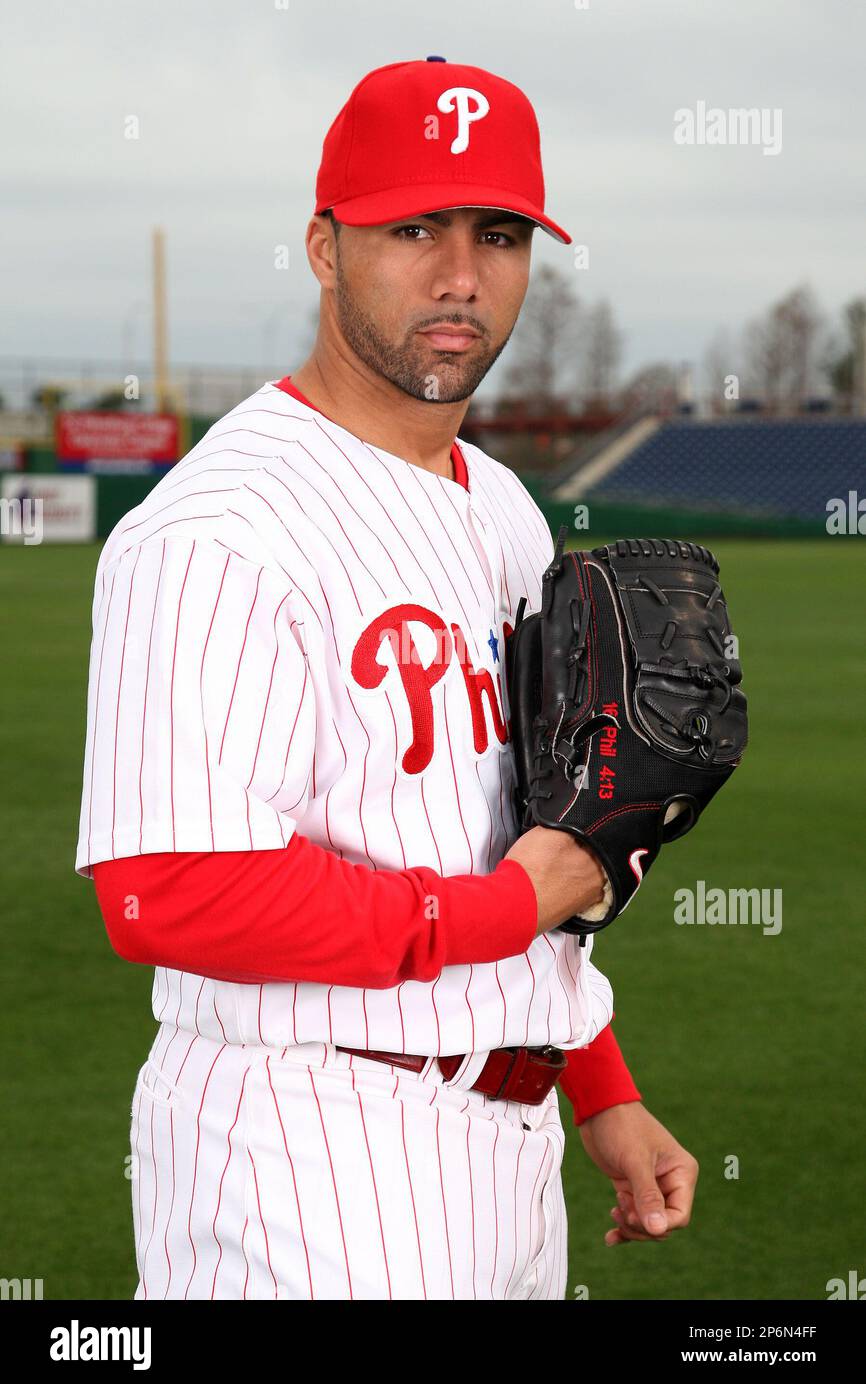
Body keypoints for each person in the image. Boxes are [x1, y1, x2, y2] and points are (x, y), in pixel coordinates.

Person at [76, 56, 698, 1300]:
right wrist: (494, 917)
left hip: (509, 1142)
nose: (460, 275)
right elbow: (163, 893)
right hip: (302, 1150)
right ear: (322, 245)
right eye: (412, 227)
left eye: (498, 233)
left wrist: (597, 1080)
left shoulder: (509, 511)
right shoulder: (216, 528)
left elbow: (526, 831)